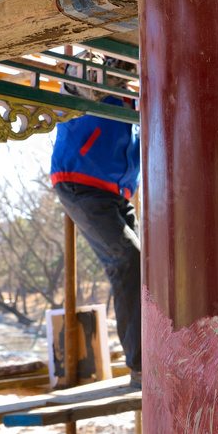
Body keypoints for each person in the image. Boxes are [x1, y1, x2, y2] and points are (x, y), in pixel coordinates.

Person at [50, 52, 141, 388]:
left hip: (116, 191)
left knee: (145, 267)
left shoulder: (134, 93)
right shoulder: (84, 65)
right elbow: (91, 82)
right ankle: (142, 366)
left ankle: (150, 357)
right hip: (80, 182)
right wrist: (127, 61)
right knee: (129, 260)